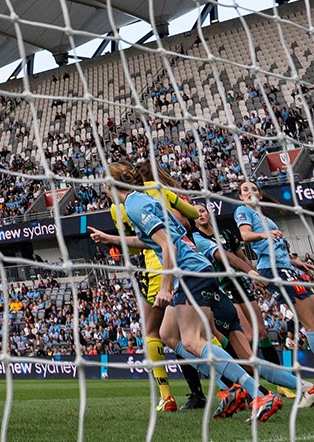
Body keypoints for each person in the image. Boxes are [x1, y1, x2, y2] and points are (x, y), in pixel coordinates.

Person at [93, 162, 283, 423]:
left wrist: (165, 287)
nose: (103, 188)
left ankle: (256, 393)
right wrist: (110, 239)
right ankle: (240, 388)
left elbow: (168, 246)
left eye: (105, 182)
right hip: (192, 268)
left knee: (194, 340)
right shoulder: (143, 200)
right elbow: (151, 239)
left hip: (188, 271)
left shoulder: (134, 205)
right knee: (168, 335)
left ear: (114, 184)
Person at [89, 162, 213, 411]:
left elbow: (138, 244)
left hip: (158, 268)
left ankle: (170, 395)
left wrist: (113, 239)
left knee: (156, 333)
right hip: (191, 260)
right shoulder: (160, 190)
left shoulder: (120, 206)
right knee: (196, 333)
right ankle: (229, 384)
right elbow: (191, 215)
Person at [233, 181, 314, 406]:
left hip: (288, 269)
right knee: (312, 322)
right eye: (245, 190)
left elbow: (278, 248)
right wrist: (265, 235)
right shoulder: (242, 211)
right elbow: (245, 236)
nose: (250, 192)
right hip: (274, 270)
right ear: (241, 196)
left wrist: (297, 262)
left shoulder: (268, 219)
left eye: (254, 189)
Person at [192, 203, 314, 407]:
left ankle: (280, 383)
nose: (200, 214)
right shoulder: (198, 239)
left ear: (209, 213)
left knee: (261, 333)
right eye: (196, 212)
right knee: (248, 335)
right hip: (223, 287)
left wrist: (254, 275)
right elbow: (224, 257)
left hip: (242, 283)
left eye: (202, 210)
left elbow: (242, 257)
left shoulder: (226, 234)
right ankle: (252, 384)